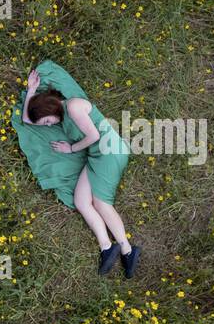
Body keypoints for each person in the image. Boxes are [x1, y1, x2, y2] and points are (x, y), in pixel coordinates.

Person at [16, 62, 140, 277]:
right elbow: (27, 120)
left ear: (49, 109)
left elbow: (94, 136)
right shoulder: (59, 117)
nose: (47, 126)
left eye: (46, 121)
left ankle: (128, 250)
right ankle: (107, 247)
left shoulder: (73, 107)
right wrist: (31, 91)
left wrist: (70, 148)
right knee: (81, 201)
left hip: (109, 151)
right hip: (95, 156)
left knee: (101, 203)